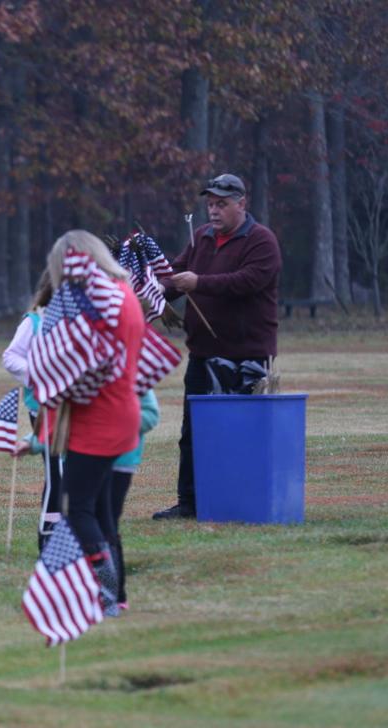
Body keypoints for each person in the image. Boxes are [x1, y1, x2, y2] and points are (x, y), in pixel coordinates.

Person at [153, 173, 282, 520]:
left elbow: (247, 281)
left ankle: (242, 501)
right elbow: (174, 275)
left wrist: (198, 283)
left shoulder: (261, 241)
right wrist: (146, 289)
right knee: (193, 434)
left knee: (243, 433)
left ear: (242, 204)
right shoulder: (201, 240)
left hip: (248, 356)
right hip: (204, 355)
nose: (213, 210)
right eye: (210, 204)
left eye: (221, 204)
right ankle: (190, 503)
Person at [47, 230, 145, 614]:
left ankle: (104, 595)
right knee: (103, 512)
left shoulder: (97, 302)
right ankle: (116, 596)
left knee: (77, 509)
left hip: (98, 419)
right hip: (121, 413)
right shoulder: (123, 292)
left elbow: (83, 362)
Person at [2, 271, 62, 553]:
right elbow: (11, 357)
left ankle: (72, 532)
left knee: (73, 473)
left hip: (80, 407)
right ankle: (48, 537)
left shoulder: (83, 323)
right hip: (43, 407)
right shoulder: (34, 322)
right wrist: (37, 373)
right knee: (57, 472)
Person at [109, 388, 160, 607]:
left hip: (120, 461)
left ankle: (114, 592)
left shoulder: (135, 374)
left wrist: (112, 421)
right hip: (81, 458)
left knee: (105, 523)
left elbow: (150, 416)